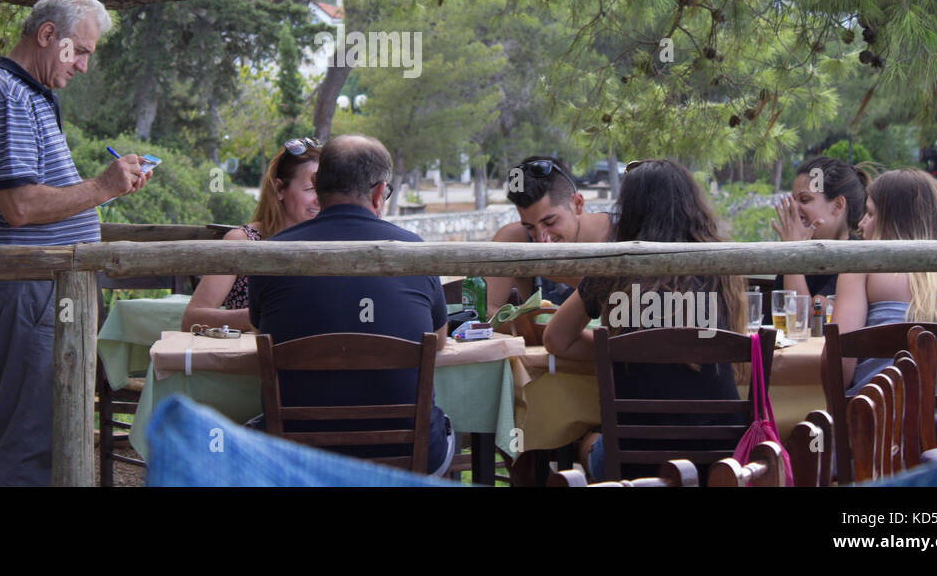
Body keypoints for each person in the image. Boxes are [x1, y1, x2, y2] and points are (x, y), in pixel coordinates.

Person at [0, 0, 149, 486]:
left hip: (40, 291)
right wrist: (102, 186)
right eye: (80, 51)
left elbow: (36, 198)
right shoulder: (9, 97)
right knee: (33, 438)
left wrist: (103, 191)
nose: (84, 66)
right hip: (30, 288)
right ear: (48, 35)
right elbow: (19, 206)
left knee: (42, 429)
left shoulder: (26, 95)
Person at [248, 134, 454, 474]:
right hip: (406, 458)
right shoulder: (415, 251)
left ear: (316, 182)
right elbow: (439, 340)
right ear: (378, 193)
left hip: (296, 458)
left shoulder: (270, 255)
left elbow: (261, 335)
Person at [542, 158, 746, 482]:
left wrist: (616, 349)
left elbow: (556, 339)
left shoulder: (613, 271)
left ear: (630, 212)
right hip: (721, 460)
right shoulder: (724, 270)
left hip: (636, 465)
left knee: (587, 442)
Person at [829, 168, 937, 395]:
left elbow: (837, 369)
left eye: (871, 214)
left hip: (873, 424)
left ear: (896, 222)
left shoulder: (860, 269)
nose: (861, 224)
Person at [180, 138, 321, 333]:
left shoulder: (329, 242)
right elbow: (192, 319)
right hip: (250, 360)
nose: (320, 199)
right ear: (279, 189)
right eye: (311, 189)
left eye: (325, 189)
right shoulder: (242, 241)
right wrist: (262, 315)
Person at [485, 156, 614, 310]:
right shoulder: (514, 239)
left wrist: (570, 277)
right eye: (529, 227)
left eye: (550, 222)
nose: (541, 239)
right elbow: (484, 311)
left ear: (578, 204)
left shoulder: (625, 233)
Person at [771, 156, 870, 299]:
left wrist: (793, 252)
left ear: (838, 205)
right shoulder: (797, 247)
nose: (794, 208)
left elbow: (805, 318)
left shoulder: (856, 258)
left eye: (805, 200)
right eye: (794, 200)